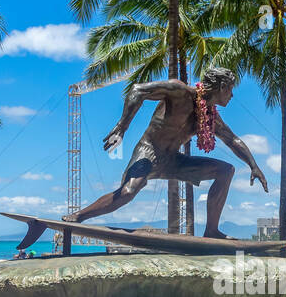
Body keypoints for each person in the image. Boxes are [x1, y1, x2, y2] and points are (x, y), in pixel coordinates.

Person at [66, 67, 267, 239]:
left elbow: (233, 140)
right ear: (222, 87)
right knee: (126, 193)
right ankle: (79, 216)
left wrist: (254, 165)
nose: (232, 95)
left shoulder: (209, 117)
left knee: (226, 170)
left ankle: (211, 230)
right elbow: (137, 90)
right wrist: (122, 127)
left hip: (173, 160)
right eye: (230, 90)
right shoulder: (179, 91)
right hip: (149, 150)